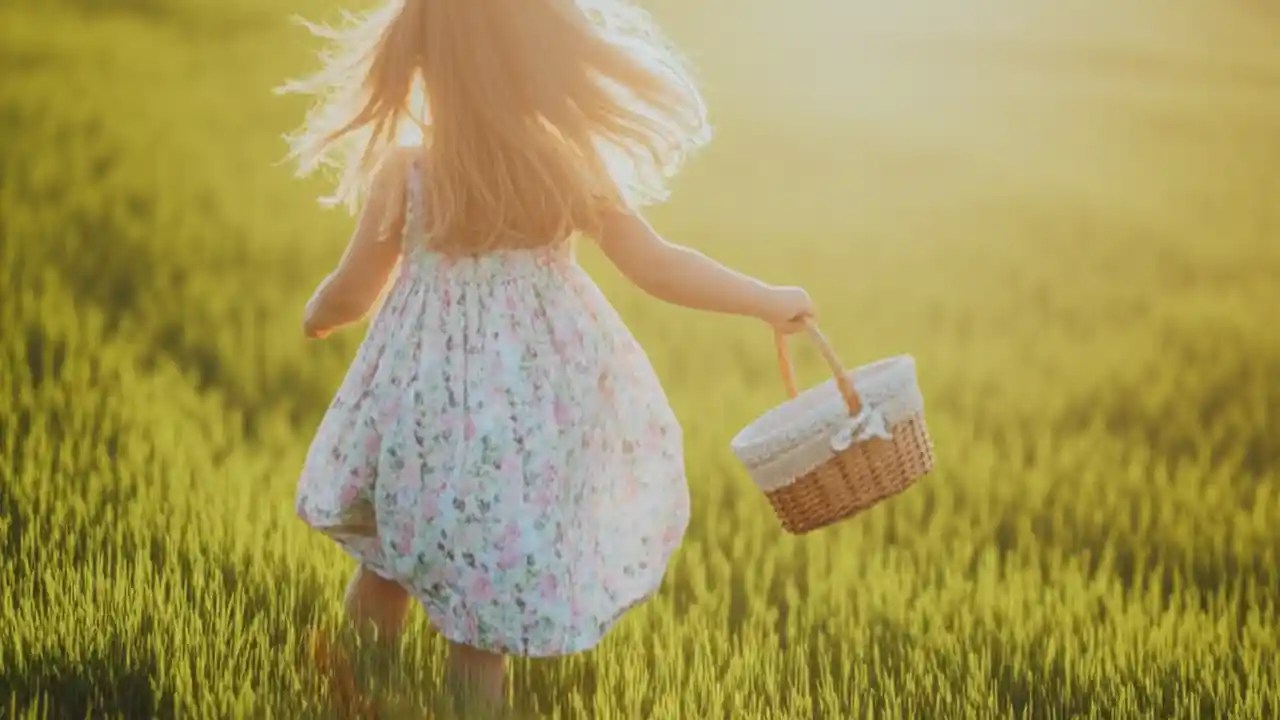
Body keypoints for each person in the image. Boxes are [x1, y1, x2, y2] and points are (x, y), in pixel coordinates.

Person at [284, 0, 814, 714]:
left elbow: (352, 292)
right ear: (541, 58)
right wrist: (763, 297)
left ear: (417, 63)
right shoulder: (564, 164)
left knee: (385, 568)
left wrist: (318, 315)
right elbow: (657, 265)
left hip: (422, 425)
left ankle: (346, 704)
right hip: (524, 434)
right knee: (480, 625)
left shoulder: (407, 173)